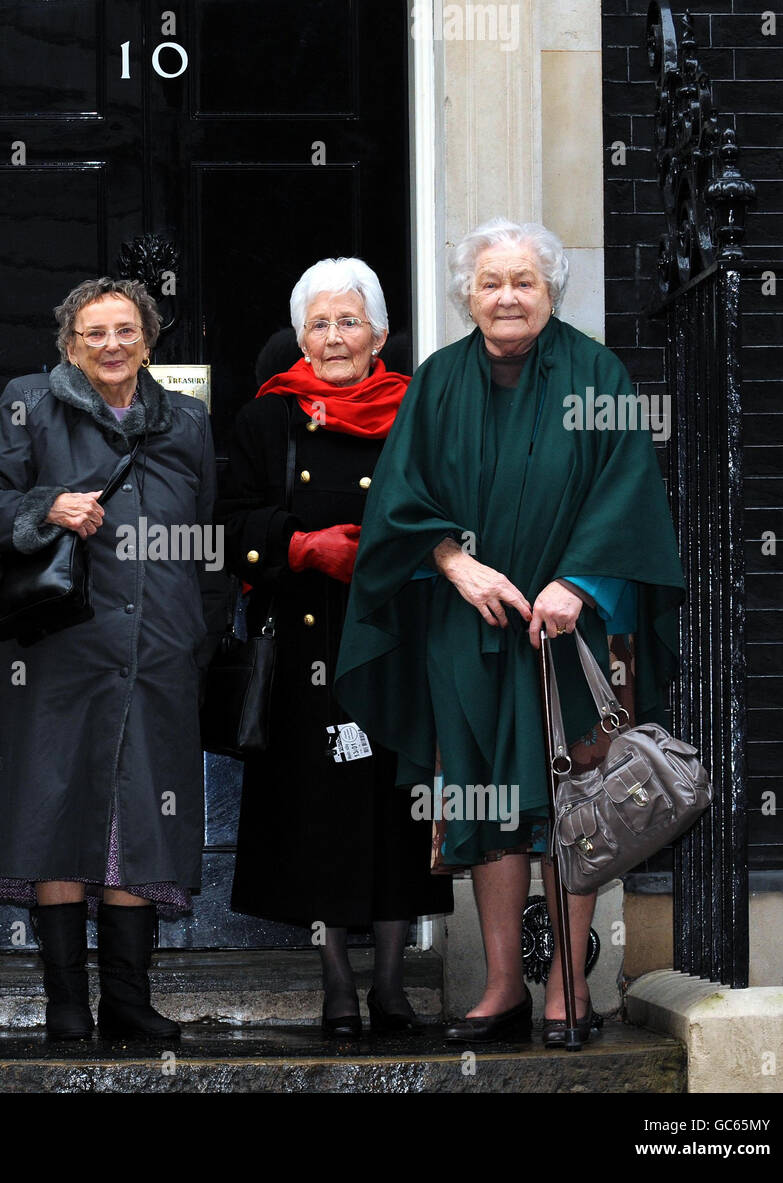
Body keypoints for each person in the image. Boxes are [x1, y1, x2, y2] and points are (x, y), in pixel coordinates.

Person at [336, 219, 685, 1047]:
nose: (507, 297)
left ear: (550, 290)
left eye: (523, 282)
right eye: (491, 283)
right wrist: (454, 562)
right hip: (469, 628)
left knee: (574, 800)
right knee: (488, 799)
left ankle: (568, 985)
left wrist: (579, 581)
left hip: (570, 632)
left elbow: (627, 486)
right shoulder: (438, 382)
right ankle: (502, 988)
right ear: (467, 294)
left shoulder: (596, 372)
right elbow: (397, 499)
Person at [0, 277, 220, 1041]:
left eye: (126, 331)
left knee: (142, 818)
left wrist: (198, 639)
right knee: (56, 811)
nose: (112, 345)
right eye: (93, 333)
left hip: (158, 654)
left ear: (149, 339)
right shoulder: (27, 401)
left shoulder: (189, 420)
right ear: (70, 344)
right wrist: (46, 504)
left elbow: (205, 538)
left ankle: (131, 1003)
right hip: (56, 653)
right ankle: (68, 1003)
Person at [216, 258, 453, 1037]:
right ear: (300, 338)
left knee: (392, 814)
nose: (334, 336)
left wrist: (387, 554)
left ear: (380, 333)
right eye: (318, 323)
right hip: (304, 650)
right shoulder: (266, 419)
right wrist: (303, 545)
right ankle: (336, 981)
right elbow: (232, 527)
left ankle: (391, 983)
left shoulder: (419, 411)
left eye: (349, 321)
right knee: (319, 818)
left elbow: (446, 512)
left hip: (395, 642)